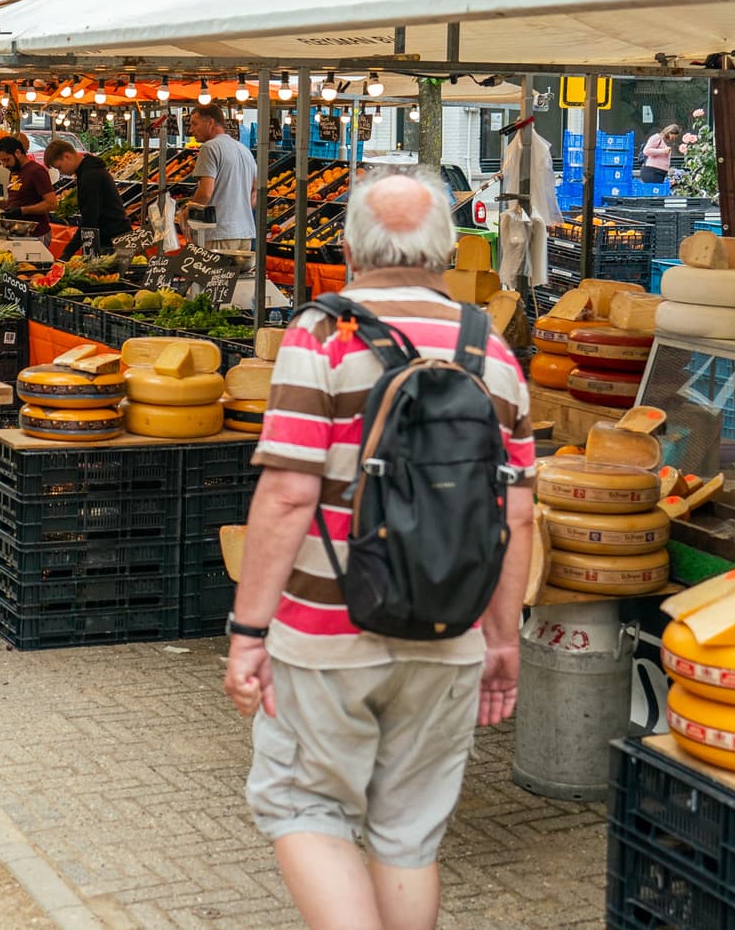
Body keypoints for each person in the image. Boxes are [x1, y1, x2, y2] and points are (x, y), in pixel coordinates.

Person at [226, 173, 536, 930]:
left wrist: (249, 630)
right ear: (449, 248)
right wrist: (502, 641)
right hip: (451, 630)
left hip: (328, 632)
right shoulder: (490, 347)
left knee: (303, 803)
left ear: (349, 246)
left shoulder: (320, 333)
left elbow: (289, 494)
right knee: (408, 834)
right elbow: (520, 516)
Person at [180, 107, 259, 253]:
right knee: (236, 276)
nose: (191, 130)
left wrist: (187, 213)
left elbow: (205, 193)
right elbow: (255, 192)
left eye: (194, 124)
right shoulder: (244, 150)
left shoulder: (209, 148)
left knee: (214, 276)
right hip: (245, 234)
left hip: (219, 234)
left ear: (210, 123)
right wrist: (238, 211)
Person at [44, 138, 130, 258]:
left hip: (113, 241)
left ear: (67, 156)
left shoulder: (90, 176)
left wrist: (67, 253)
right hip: (114, 236)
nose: (61, 172)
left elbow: (90, 218)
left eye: (59, 167)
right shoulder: (88, 171)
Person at [0, 135, 55, 240]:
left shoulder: (36, 171)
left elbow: (51, 204)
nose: (4, 165)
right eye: (2, 161)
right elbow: (17, 201)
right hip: (18, 233)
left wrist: (22, 210)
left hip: (36, 234)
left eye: (7, 160)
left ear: (18, 153)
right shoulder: (15, 171)